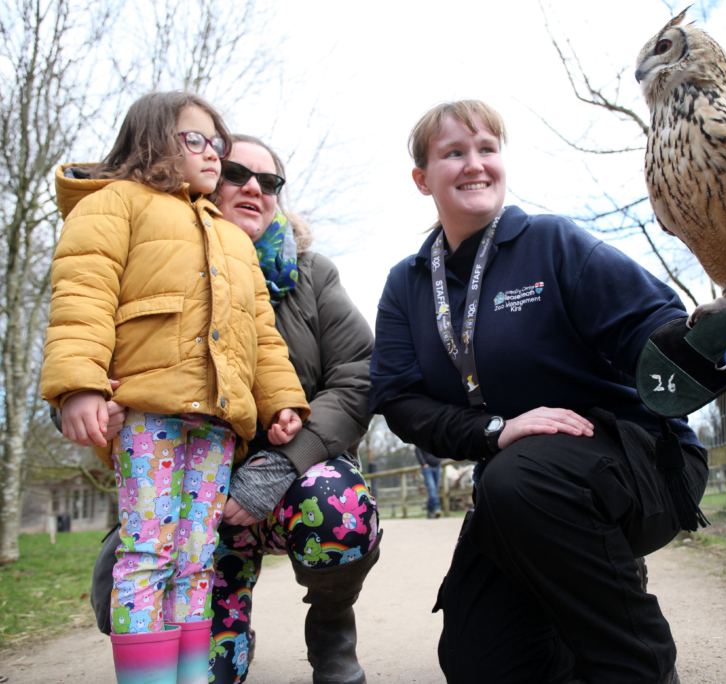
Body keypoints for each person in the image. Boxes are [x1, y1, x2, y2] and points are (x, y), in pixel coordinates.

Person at [369, 100, 709, 684]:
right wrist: (495, 430)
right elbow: (400, 399)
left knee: (522, 478)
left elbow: (649, 327)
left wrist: (724, 337)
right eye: (453, 153)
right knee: (479, 662)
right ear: (423, 179)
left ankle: (637, 665)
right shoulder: (407, 283)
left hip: (636, 461)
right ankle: (574, 600)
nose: (475, 164)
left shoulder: (551, 242)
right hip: (516, 492)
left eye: (487, 149)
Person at [80, 135, 379, 684]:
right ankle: (220, 628)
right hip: (185, 483)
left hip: (291, 478)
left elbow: (358, 374)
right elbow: (86, 345)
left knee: (337, 510)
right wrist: (91, 406)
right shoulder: (151, 259)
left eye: (270, 182)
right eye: (237, 172)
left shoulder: (312, 276)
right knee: (204, 669)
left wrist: (284, 462)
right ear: (203, 176)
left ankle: (333, 630)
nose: (253, 188)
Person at [41, 92, 310, 684]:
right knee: (147, 552)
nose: (213, 153)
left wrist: (281, 400)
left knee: (195, 558)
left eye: (218, 142)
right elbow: (82, 300)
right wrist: (78, 386)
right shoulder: (113, 205)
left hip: (216, 423)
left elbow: (260, 334)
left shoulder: (234, 240)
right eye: (198, 141)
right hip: (148, 413)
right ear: (153, 140)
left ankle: (189, 675)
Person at [415, 446, 441, 518]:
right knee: (431, 488)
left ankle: (430, 511)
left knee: (435, 489)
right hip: (427, 467)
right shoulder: (421, 437)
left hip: (437, 466)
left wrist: (439, 460)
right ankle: (436, 506)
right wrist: (423, 464)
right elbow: (417, 450)